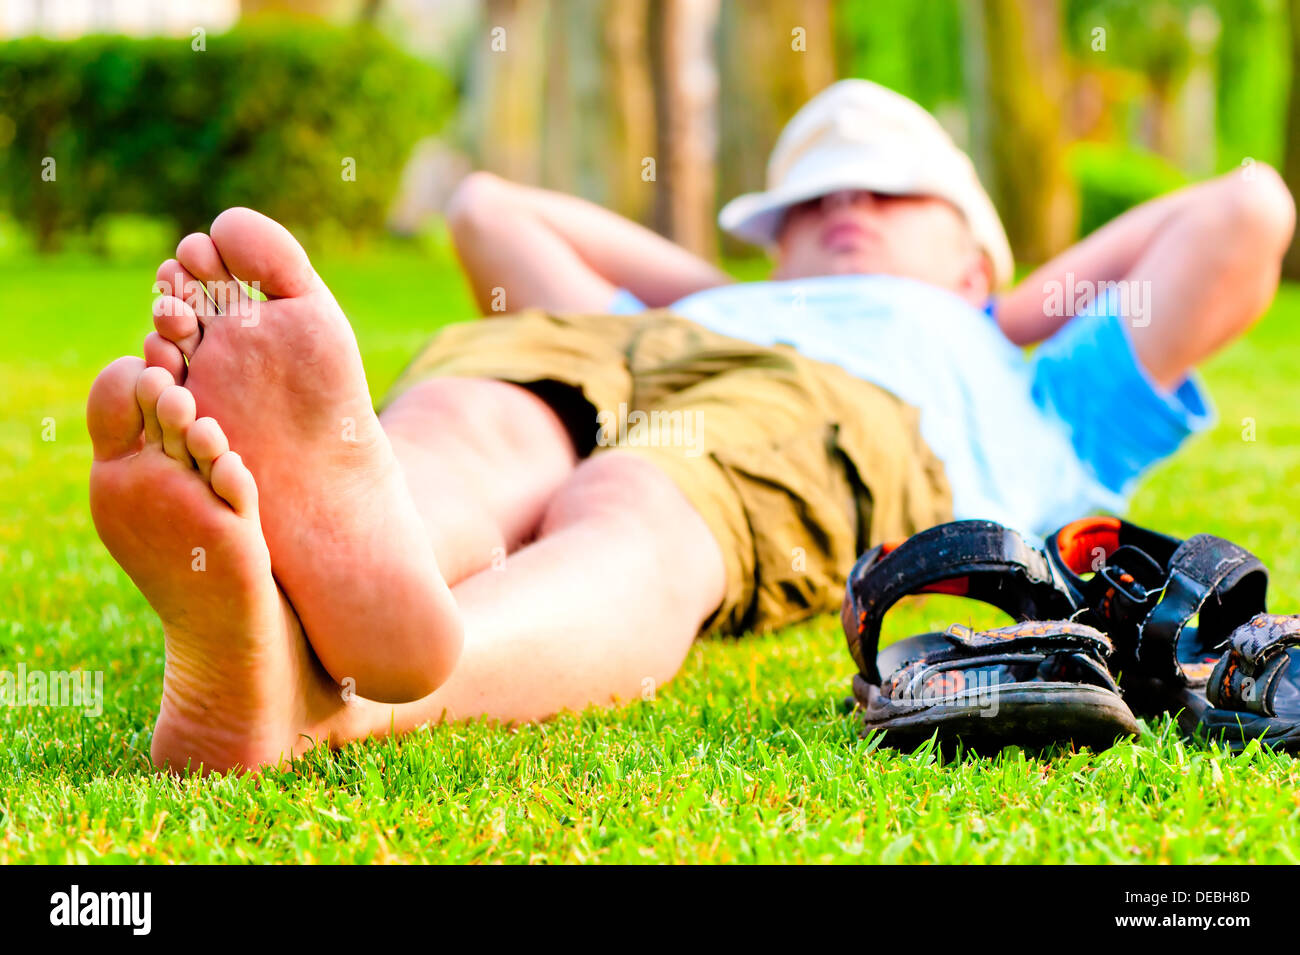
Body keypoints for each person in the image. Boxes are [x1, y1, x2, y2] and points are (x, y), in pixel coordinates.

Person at [87, 80, 1294, 773]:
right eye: (808, 205)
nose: (844, 209)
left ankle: (338, 691)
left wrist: (993, 303)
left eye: (885, 192)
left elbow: (1247, 212)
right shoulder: (723, 294)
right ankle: (354, 536)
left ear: (978, 246)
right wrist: (715, 295)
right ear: (766, 245)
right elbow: (487, 209)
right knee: (479, 411)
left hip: (844, 408)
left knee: (641, 512)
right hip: (632, 343)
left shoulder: (1030, 373)